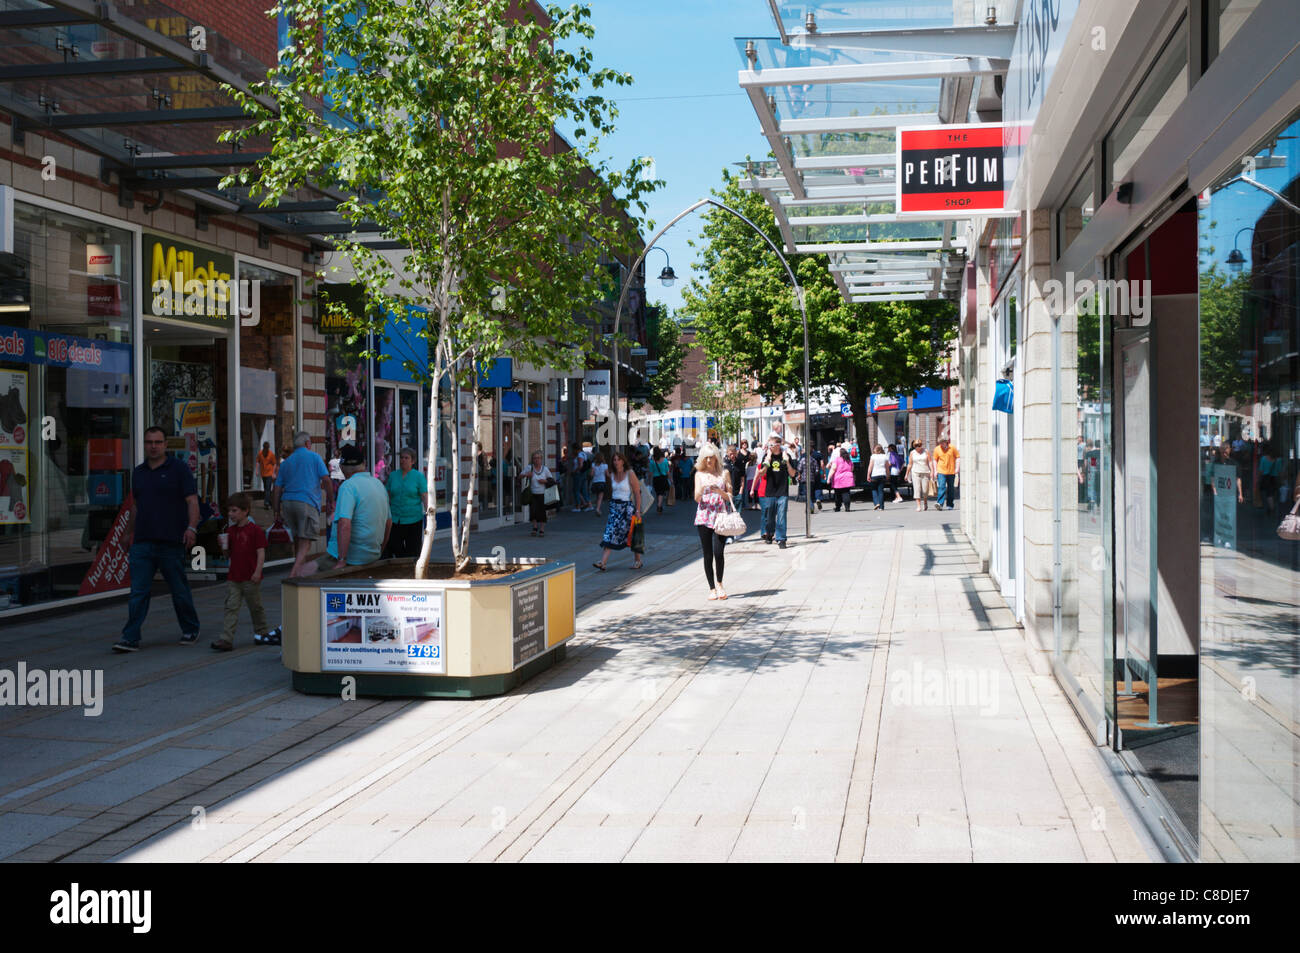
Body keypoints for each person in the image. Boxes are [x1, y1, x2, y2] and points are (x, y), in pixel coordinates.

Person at [112, 426, 203, 652]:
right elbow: (135, 506)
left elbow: (192, 501)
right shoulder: (139, 472)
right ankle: (130, 637)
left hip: (170, 541)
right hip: (142, 541)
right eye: (149, 442)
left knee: (178, 589)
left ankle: (190, 627)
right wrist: (127, 533)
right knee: (138, 592)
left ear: (165, 445)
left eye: (158, 442)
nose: (153, 446)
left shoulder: (179, 469)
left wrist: (191, 527)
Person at [211, 492, 271, 652]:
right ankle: (226, 638)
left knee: (255, 606)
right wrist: (222, 546)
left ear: (245, 511)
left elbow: (261, 552)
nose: (231, 514)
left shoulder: (255, 530)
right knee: (231, 607)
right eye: (229, 511)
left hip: (250, 577)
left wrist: (258, 571)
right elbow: (228, 554)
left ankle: (262, 632)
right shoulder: (230, 531)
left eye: (234, 511)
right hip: (234, 576)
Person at [272, 431, 335, 578]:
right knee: (306, 541)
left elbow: (277, 488)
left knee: (298, 539)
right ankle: (294, 573)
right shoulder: (314, 457)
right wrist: (331, 500)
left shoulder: (286, 462)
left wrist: (276, 510)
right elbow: (326, 480)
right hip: (306, 503)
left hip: (288, 503)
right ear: (308, 444)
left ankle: (299, 571)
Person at [327, 445, 392, 568]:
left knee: (306, 572)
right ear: (364, 464)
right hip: (373, 555)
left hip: (349, 558)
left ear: (342, 468)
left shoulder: (348, 486)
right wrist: (379, 550)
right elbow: (388, 522)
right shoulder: (378, 484)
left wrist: (342, 560)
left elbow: (344, 523)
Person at [693, 443, 733, 600]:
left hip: (720, 515)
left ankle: (720, 584)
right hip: (704, 516)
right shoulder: (699, 474)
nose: (709, 460)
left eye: (712, 457)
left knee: (719, 552)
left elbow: (730, 496)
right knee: (707, 554)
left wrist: (719, 491)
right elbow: (696, 498)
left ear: (717, 458)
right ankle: (711, 588)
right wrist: (703, 489)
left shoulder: (724, 473)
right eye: (706, 458)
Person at [592, 452, 644, 571]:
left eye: (618, 459)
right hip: (615, 507)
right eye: (614, 460)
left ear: (623, 461)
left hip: (627, 508)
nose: (616, 462)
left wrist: (638, 510)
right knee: (609, 533)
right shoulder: (611, 474)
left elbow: (637, 492)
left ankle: (638, 561)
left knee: (632, 534)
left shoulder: (630, 473)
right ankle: (603, 562)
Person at [384, 447, 427, 558]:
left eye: (406, 458)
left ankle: (412, 571)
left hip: (413, 519)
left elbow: (424, 496)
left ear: (413, 461)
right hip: (395, 519)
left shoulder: (418, 477)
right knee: (394, 546)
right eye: (401, 458)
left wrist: (429, 513)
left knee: (413, 549)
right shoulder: (393, 475)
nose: (403, 460)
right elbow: (387, 495)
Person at [757, 433, 797, 548]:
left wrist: (787, 462)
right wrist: (768, 460)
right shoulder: (766, 456)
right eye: (769, 444)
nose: (769, 446)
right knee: (770, 516)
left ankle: (781, 539)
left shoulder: (786, 456)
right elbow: (761, 473)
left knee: (781, 515)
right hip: (770, 492)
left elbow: (793, 473)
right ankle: (769, 533)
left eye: (771, 444)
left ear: (778, 445)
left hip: (782, 491)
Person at [524, 450, 554, 537]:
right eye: (534, 458)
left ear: (541, 459)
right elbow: (520, 476)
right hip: (532, 493)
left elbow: (551, 481)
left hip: (542, 493)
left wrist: (545, 481)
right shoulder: (529, 468)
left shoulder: (545, 469)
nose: (536, 460)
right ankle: (534, 527)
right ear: (532, 459)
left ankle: (542, 529)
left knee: (542, 512)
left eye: (538, 458)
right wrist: (527, 475)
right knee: (533, 511)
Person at [904, 439, 933, 512]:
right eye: (916, 446)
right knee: (917, 489)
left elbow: (930, 462)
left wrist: (932, 471)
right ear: (914, 446)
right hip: (915, 472)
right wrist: (906, 474)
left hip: (925, 472)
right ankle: (919, 506)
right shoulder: (912, 453)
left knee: (925, 490)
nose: (918, 447)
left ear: (921, 445)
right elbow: (910, 464)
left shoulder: (926, 451)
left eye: (919, 445)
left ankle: (925, 502)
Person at [932, 436, 960, 510]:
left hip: (951, 471)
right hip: (941, 471)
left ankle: (950, 504)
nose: (941, 444)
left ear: (946, 442)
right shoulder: (937, 449)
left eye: (942, 442)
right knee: (941, 487)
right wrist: (935, 470)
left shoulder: (952, 448)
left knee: (951, 488)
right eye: (940, 443)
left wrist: (957, 468)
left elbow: (957, 457)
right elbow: (934, 460)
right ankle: (940, 504)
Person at [828, 445, 857, 511]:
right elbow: (852, 469)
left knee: (838, 494)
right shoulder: (849, 460)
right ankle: (847, 507)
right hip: (848, 478)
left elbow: (833, 469)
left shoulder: (837, 460)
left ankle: (838, 507)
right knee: (846, 493)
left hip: (838, 479)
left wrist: (828, 478)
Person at [649, 446, 672, 514]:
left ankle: (659, 505)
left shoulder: (652, 461)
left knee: (658, 492)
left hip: (656, 479)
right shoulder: (664, 460)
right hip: (663, 478)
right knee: (661, 493)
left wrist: (649, 481)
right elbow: (667, 471)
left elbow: (650, 472)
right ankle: (659, 505)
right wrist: (670, 479)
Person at [867, 444, 890, 510]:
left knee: (874, 489)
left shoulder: (873, 456)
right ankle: (881, 507)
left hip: (874, 475)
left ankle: (876, 502)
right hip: (882, 475)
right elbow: (887, 467)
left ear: (875, 450)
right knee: (881, 491)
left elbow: (870, 467)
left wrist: (868, 475)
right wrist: (888, 475)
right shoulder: (885, 456)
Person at [256, 441, 278, 506]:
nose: (266, 449)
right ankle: (269, 501)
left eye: (267, 448)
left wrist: (274, 473)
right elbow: (257, 462)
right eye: (265, 448)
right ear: (263, 448)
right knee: (266, 488)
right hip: (263, 473)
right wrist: (257, 470)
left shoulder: (271, 454)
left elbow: (274, 464)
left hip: (269, 473)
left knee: (268, 488)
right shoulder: (260, 453)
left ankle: (266, 502)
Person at [589, 452, 609, 517]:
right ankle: (597, 509)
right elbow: (607, 474)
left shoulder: (593, 465)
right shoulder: (605, 466)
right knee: (600, 497)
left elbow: (591, 474)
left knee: (598, 496)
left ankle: (598, 508)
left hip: (595, 482)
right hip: (602, 482)